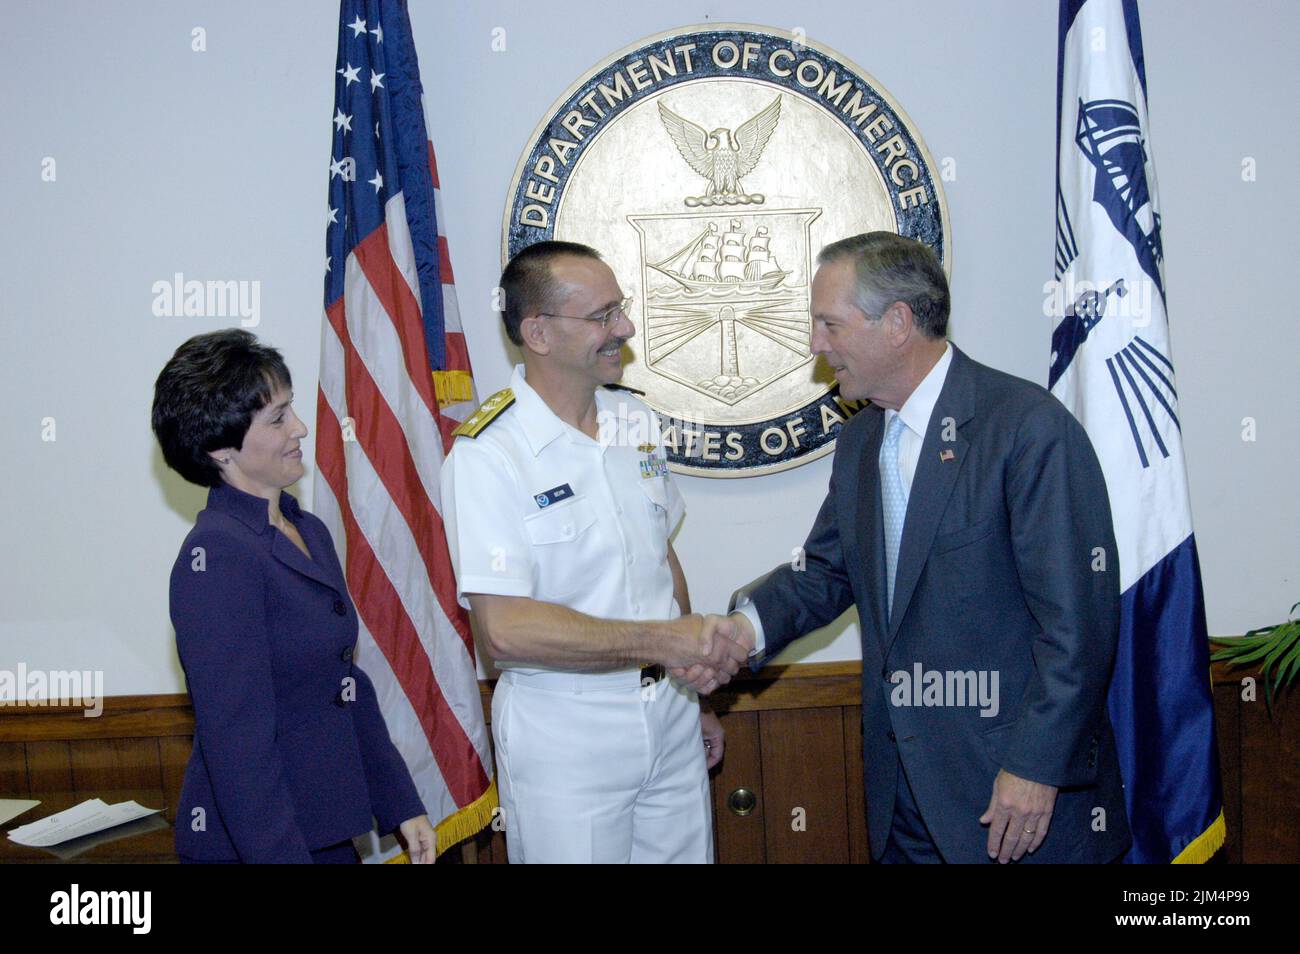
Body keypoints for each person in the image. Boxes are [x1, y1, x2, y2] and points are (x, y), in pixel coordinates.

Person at [718, 232, 1132, 863]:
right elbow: (825, 572)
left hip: (1012, 800)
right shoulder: (861, 443)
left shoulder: (1025, 428)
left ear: (898, 323)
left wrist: (1035, 767)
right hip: (902, 801)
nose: (815, 345)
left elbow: (1079, 625)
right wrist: (738, 633)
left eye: (829, 324)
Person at [440, 241, 745, 864]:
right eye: (603, 316)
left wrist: (696, 697)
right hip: (566, 733)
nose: (625, 328)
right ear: (539, 333)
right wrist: (667, 644)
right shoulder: (489, 455)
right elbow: (504, 632)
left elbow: (660, 562)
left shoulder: (634, 421)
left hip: (670, 716)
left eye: (621, 309)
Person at [152, 329, 436, 863]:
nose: (300, 428)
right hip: (264, 844)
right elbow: (239, 747)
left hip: (325, 830)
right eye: (277, 418)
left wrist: (400, 800)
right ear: (220, 448)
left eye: (292, 409)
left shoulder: (306, 529)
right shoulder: (217, 556)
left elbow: (343, 683)